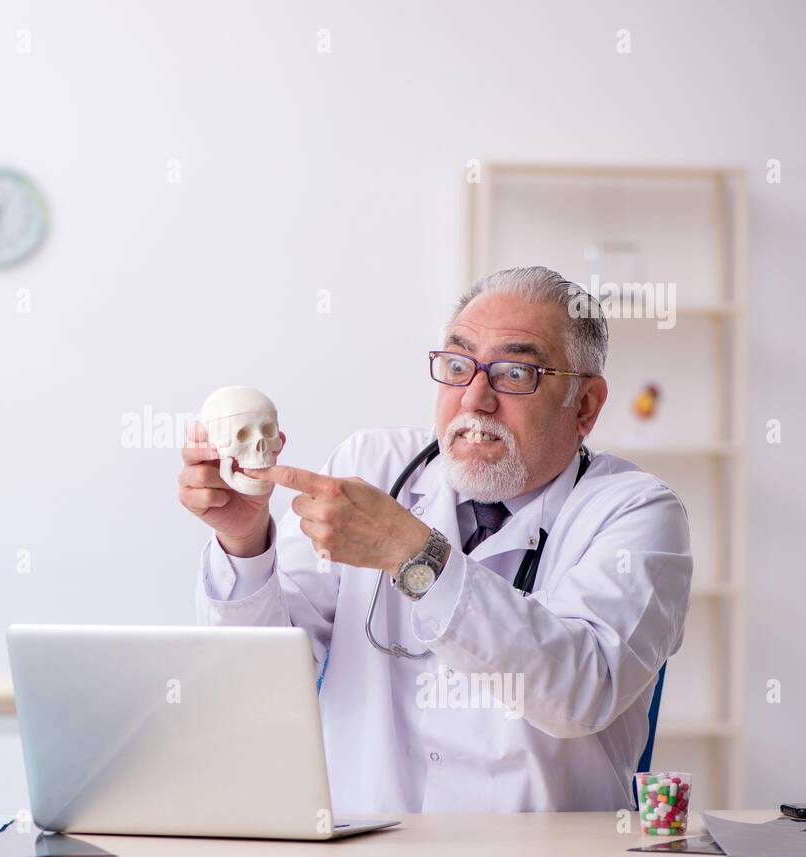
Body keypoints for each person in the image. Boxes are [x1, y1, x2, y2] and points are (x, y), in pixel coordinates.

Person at [178, 266, 693, 813]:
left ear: (585, 406)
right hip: (369, 853)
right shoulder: (370, 466)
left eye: (515, 373)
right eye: (457, 365)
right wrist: (245, 543)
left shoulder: (638, 512)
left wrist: (412, 553)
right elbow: (265, 688)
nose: (475, 399)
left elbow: (581, 692)